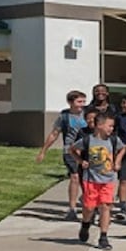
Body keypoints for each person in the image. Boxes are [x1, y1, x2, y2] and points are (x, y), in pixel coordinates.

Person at [69, 112, 125, 251]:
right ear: (99, 125)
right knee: (89, 208)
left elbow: (123, 148)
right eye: (110, 126)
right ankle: (85, 224)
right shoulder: (87, 140)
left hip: (108, 180)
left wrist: (117, 162)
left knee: (106, 207)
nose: (112, 129)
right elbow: (72, 149)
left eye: (113, 126)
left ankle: (103, 237)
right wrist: (81, 161)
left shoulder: (113, 140)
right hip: (91, 180)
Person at [35, 90, 87, 221]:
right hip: (69, 150)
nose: (82, 104)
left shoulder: (87, 114)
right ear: (70, 102)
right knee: (74, 177)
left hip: (87, 150)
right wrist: (43, 151)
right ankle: (72, 208)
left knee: (86, 179)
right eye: (79, 101)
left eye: (83, 101)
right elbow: (54, 134)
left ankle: (86, 199)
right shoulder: (64, 116)